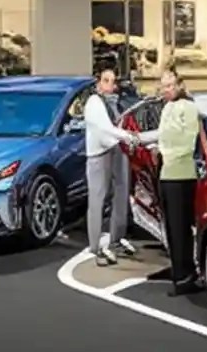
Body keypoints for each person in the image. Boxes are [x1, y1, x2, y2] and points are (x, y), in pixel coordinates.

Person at [138, 69, 202, 296]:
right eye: (163, 86)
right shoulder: (168, 108)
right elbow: (164, 135)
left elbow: (188, 142)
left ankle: (185, 276)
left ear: (180, 84)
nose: (166, 90)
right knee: (172, 228)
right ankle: (179, 271)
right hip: (167, 174)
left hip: (182, 175)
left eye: (170, 85)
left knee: (180, 228)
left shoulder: (189, 108)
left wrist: (166, 153)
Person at [84, 67, 139, 266]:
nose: (111, 85)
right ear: (98, 82)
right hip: (98, 155)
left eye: (113, 81)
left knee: (121, 193)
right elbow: (106, 128)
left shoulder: (114, 103)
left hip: (115, 149)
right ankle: (95, 248)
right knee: (97, 200)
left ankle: (116, 239)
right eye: (106, 80)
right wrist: (127, 136)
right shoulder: (93, 103)